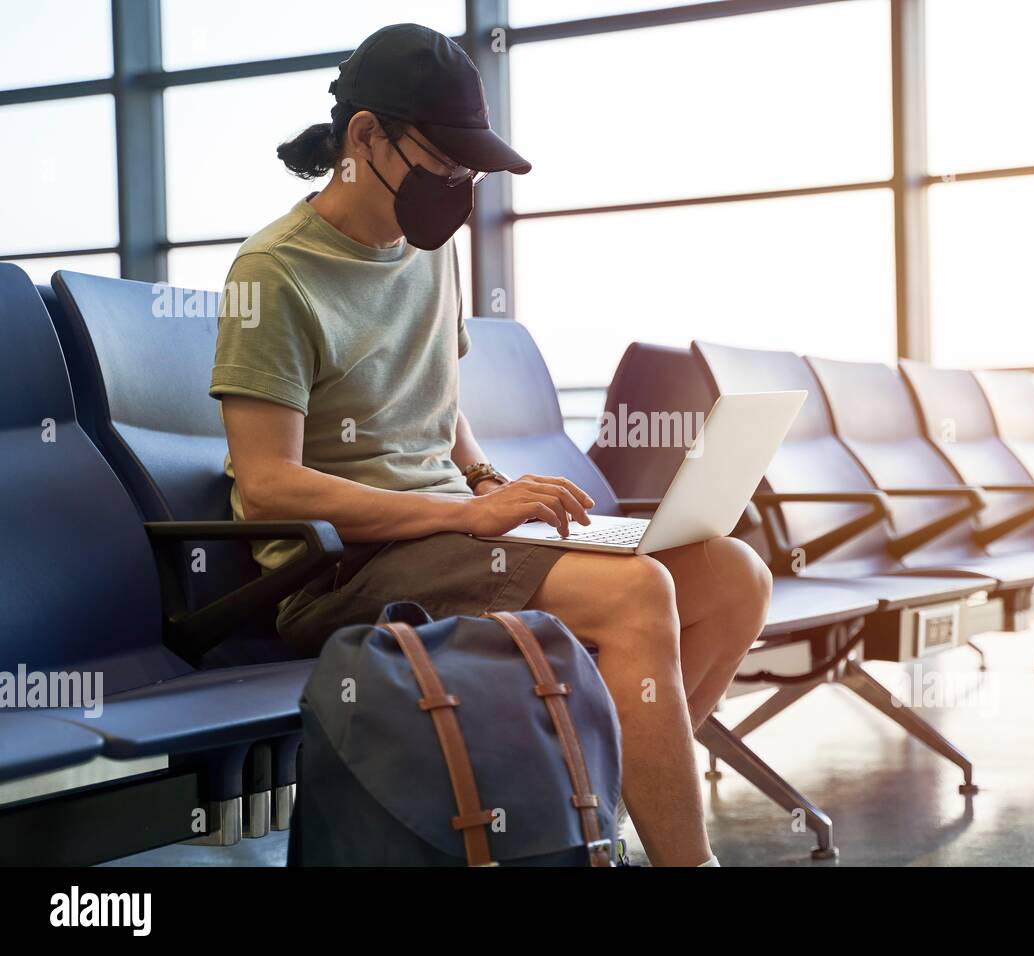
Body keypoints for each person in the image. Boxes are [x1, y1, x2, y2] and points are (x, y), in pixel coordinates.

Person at [210, 24, 771, 867]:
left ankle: (588, 821)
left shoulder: (430, 252)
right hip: (341, 569)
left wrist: (486, 481)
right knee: (637, 594)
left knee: (733, 576)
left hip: (449, 535)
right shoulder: (273, 274)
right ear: (366, 138)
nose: (458, 190)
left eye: (468, 174)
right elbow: (268, 488)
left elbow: (442, 406)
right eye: (444, 167)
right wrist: (465, 515)